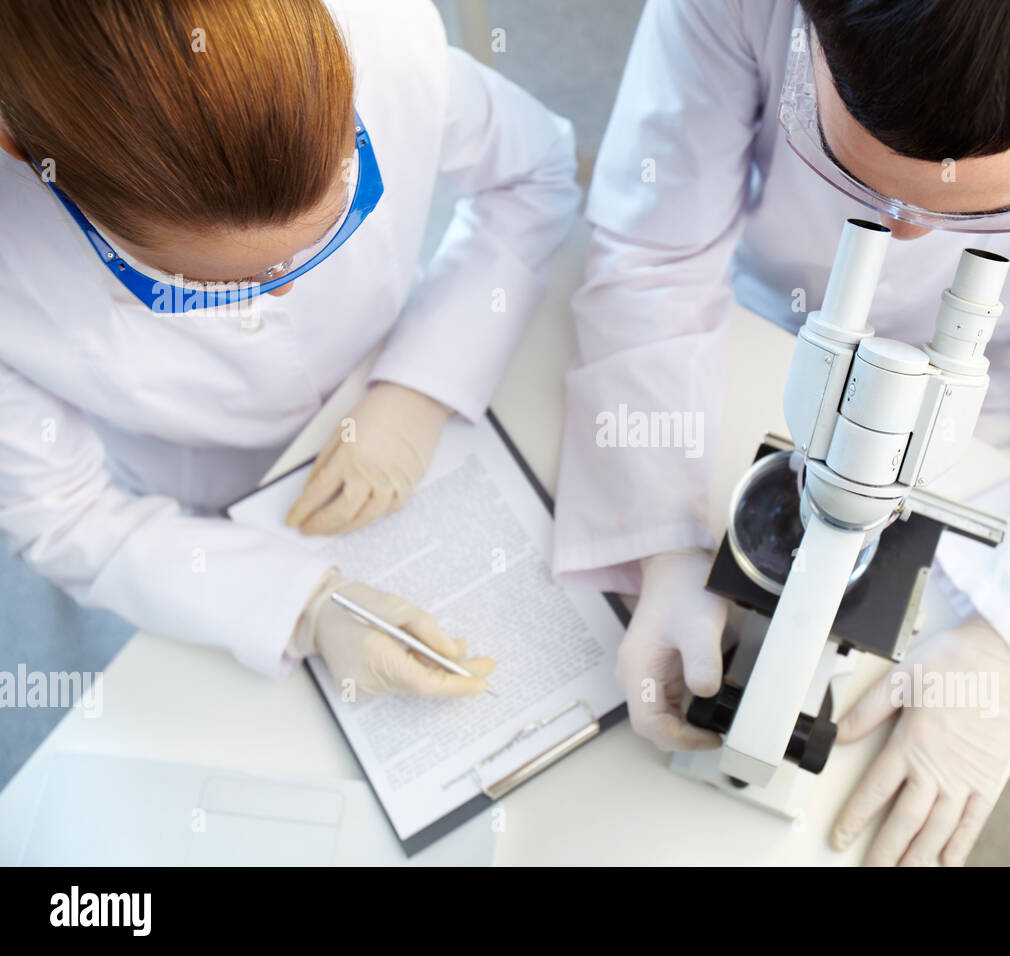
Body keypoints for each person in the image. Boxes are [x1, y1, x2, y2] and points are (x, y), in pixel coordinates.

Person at [554, 0, 1010, 864]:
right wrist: (663, 540)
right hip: (758, 314)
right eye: (849, 170)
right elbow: (655, 255)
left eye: (991, 215)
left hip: (995, 374)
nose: (900, 233)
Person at [0, 0, 579, 698]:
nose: (280, 296)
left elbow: (535, 171)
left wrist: (422, 387)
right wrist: (306, 608)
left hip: (404, 372)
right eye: (202, 288)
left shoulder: (383, 37)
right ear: (20, 151)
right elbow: (65, 515)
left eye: (328, 231)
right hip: (202, 490)